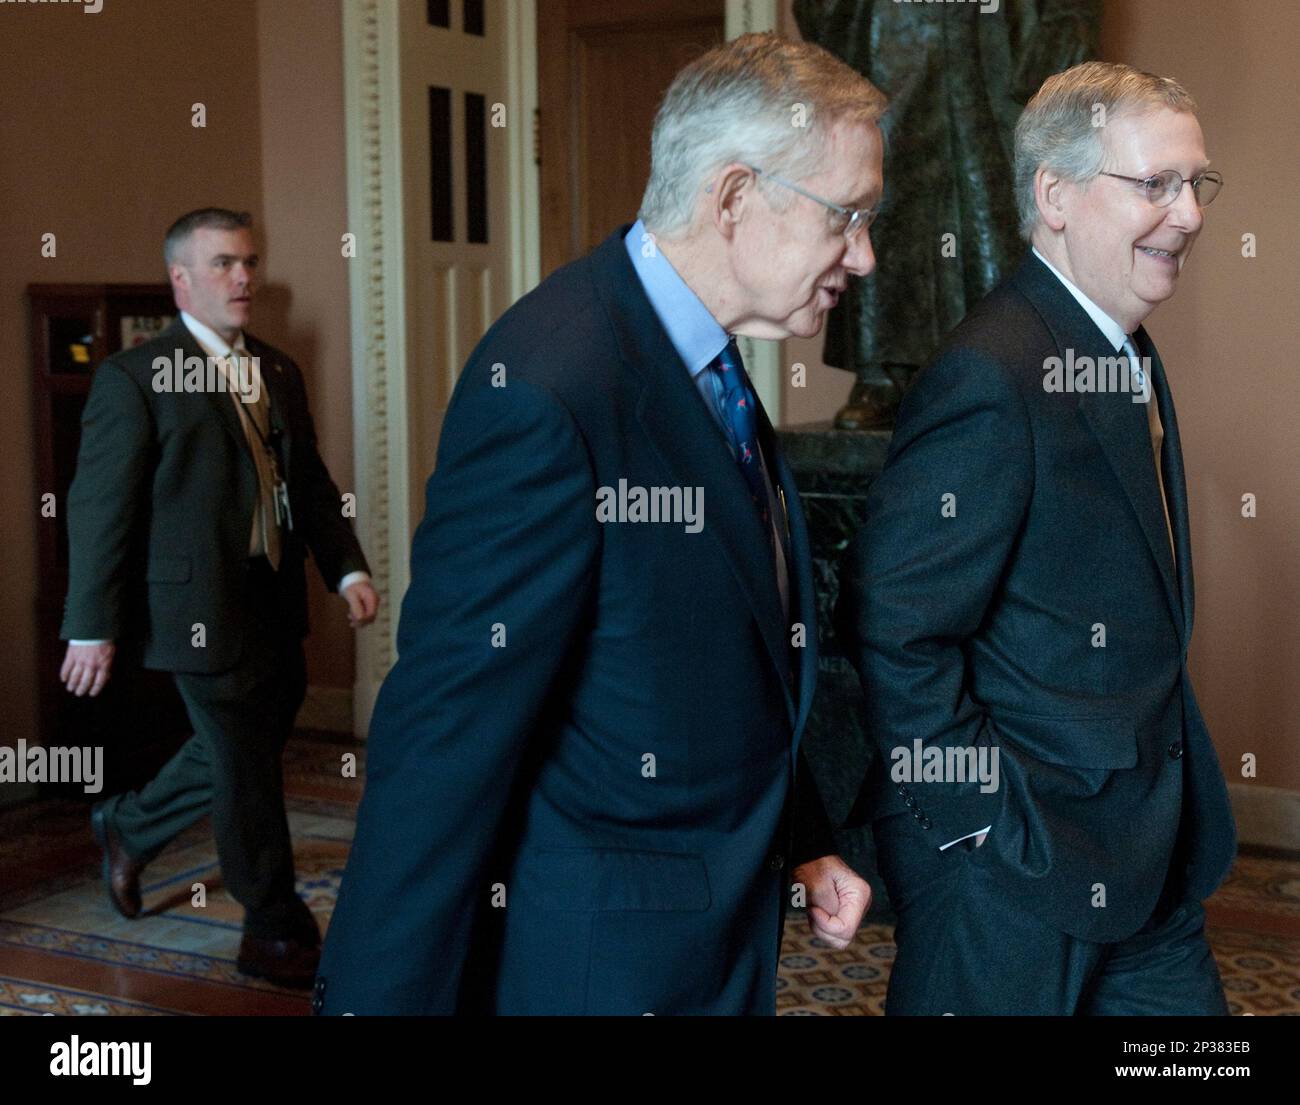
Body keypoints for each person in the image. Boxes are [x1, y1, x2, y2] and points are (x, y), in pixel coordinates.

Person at [315, 33, 884, 1016]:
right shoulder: (548, 389)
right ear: (734, 197)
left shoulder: (708, 364)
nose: (865, 256)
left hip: (711, 944)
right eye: (849, 216)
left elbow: (717, 662)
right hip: (600, 970)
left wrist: (803, 838)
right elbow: (445, 744)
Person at [835, 61, 1236, 1015]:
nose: (1189, 215)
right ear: (1054, 196)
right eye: (1156, 183)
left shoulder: (1119, 346)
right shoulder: (992, 372)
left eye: (1196, 184)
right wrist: (984, 823)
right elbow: (892, 625)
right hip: (1015, 871)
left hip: (1141, 857)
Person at [60, 208, 379, 989]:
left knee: (238, 748)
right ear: (181, 279)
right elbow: (99, 511)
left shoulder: (277, 369)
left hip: (272, 598)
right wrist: (90, 626)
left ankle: (128, 826)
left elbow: (309, 482)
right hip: (193, 610)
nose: (243, 278)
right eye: (224, 264)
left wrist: (346, 568)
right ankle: (273, 930)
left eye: (249, 262)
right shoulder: (134, 378)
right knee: (247, 766)